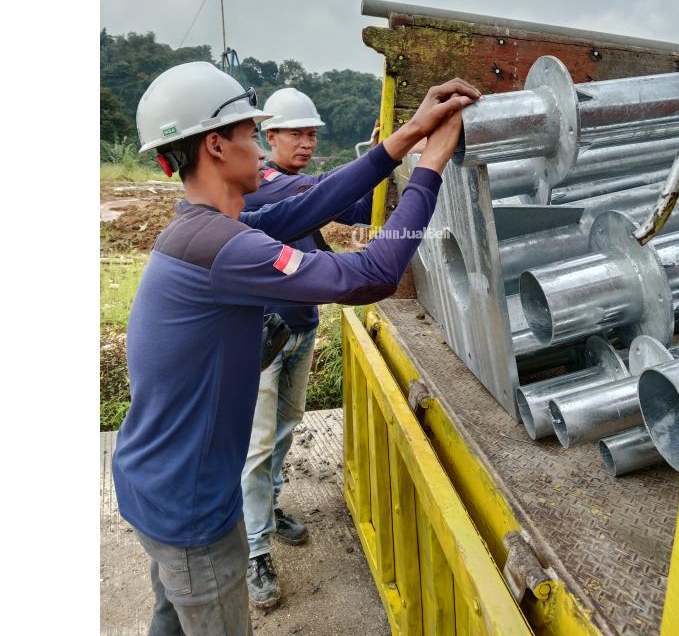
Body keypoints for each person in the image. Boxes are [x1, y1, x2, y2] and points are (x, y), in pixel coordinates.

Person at [111, 60, 480, 636]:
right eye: (249, 134)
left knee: (171, 618)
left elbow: (309, 207)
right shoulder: (226, 249)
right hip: (190, 507)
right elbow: (373, 275)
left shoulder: (197, 229)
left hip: (151, 482)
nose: (259, 148)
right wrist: (430, 165)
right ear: (215, 145)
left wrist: (405, 137)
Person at [239, 87, 377, 609]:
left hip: (301, 326)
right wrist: (373, 162)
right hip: (262, 335)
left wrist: (381, 169)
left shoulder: (298, 186)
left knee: (286, 430)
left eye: (311, 133)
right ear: (267, 136)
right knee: (255, 445)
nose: (305, 141)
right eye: (295, 132)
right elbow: (315, 197)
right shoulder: (260, 186)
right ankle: (253, 551)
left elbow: (357, 203)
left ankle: (268, 511)